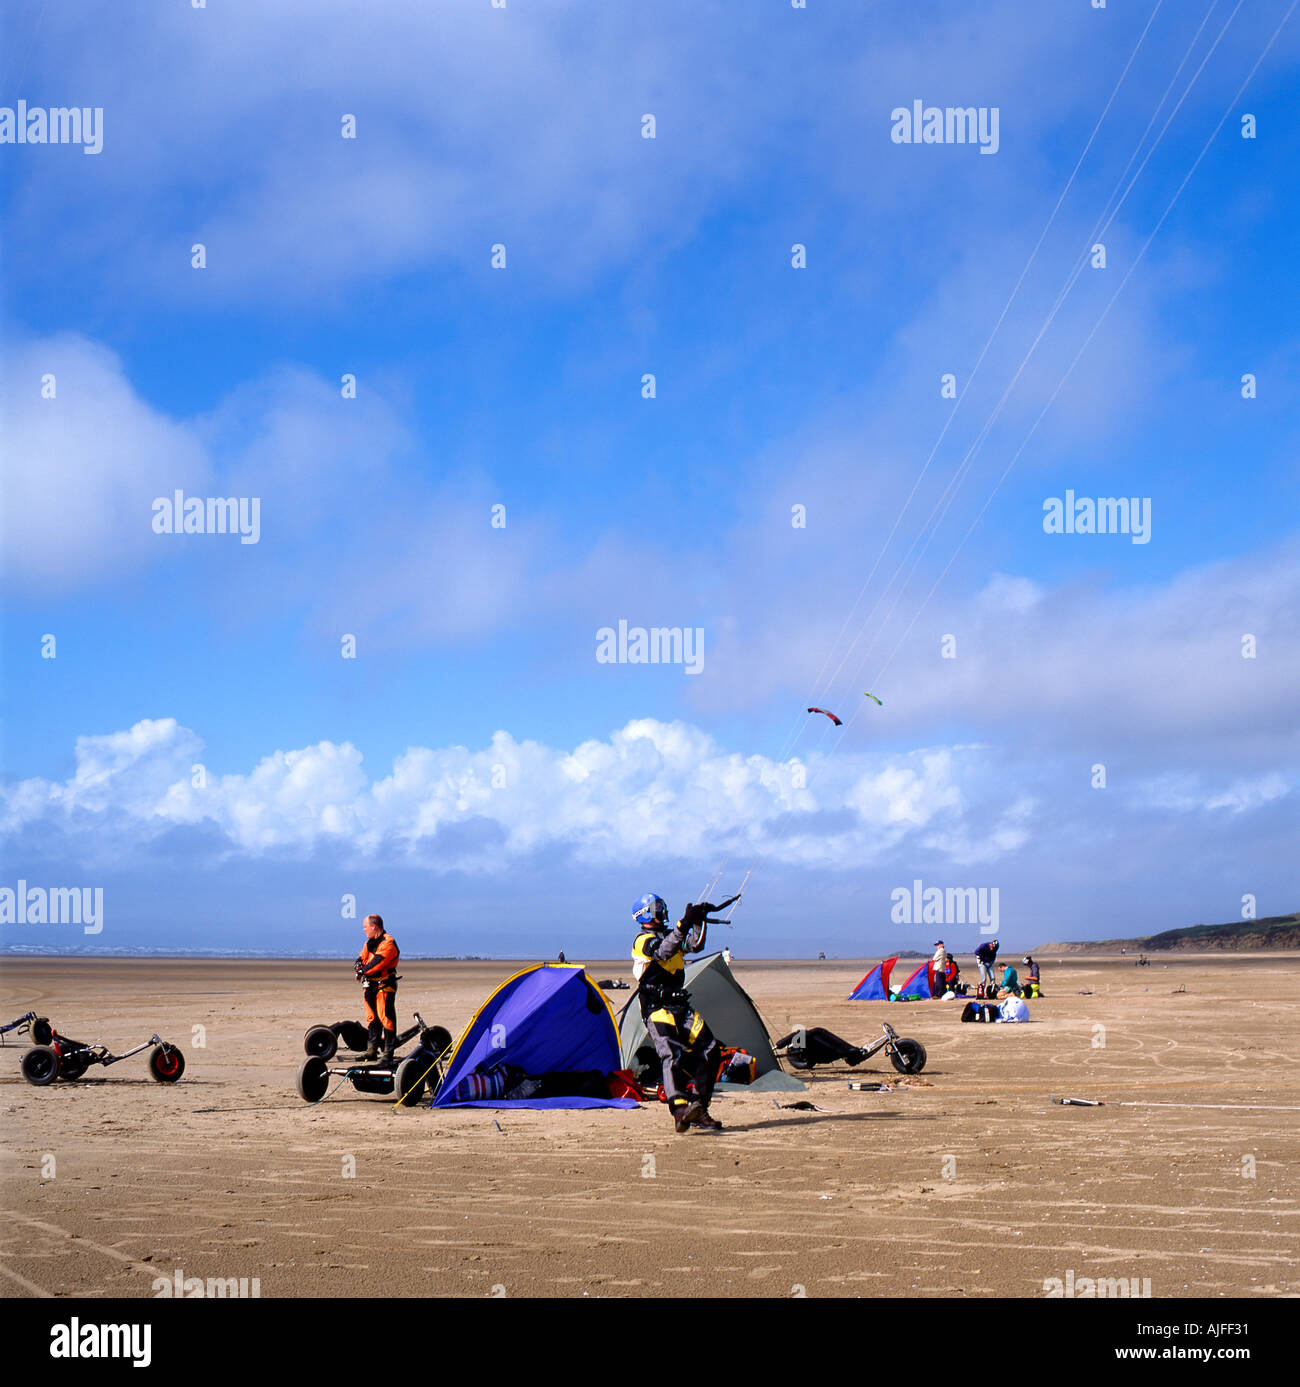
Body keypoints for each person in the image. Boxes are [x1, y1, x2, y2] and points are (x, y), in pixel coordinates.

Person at [631, 892, 722, 1134]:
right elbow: (662, 952)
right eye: (658, 907)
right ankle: (680, 1111)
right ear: (646, 912)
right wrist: (683, 924)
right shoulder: (642, 940)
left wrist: (698, 920)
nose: (663, 910)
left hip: (681, 1007)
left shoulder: (671, 935)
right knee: (672, 1055)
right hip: (657, 1009)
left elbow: (694, 944)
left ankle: (699, 1107)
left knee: (711, 1050)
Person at [355, 913, 400, 1061]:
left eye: (365, 927)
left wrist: (362, 971)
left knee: (385, 1017)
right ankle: (371, 1050)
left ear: (373, 927)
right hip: (370, 985)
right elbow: (361, 958)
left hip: (384, 985)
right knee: (372, 1018)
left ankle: (388, 1052)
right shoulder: (369, 943)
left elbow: (377, 962)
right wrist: (358, 967)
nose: (364, 930)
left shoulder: (389, 943)